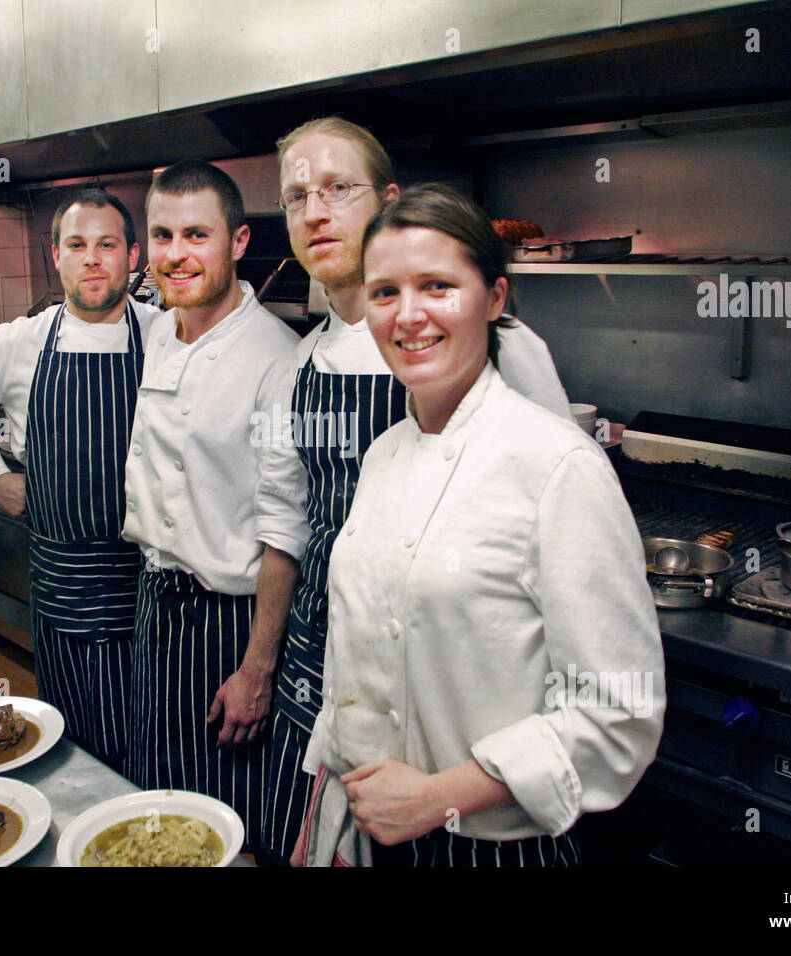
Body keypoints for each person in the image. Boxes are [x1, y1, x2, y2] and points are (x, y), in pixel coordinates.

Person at [293, 184, 665, 867]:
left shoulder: (556, 467)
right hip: (373, 832)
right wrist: (326, 817)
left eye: (438, 286)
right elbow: (358, 657)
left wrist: (438, 797)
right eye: (384, 293)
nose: (409, 316)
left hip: (491, 849)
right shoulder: (385, 454)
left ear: (494, 299)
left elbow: (619, 714)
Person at [258, 117, 577, 865]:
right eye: (297, 196)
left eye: (339, 189)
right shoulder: (292, 367)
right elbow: (283, 522)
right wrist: (260, 664)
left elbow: (554, 517)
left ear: (389, 201)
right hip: (321, 673)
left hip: (454, 696)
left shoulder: (500, 350)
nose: (316, 212)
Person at [0, 189, 160, 772]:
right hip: (60, 583)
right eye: (77, 245)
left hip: (148, 579)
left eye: (107, 245)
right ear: (55, 256)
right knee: (72, 733)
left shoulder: (166, 336)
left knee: (148, 732)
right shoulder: (20, 342)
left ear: (133, 256)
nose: (92, 259)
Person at [122, 160, 305, 853]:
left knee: (221, 820)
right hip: (156, 602)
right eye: (162, 235)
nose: (176, 255)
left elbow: (285, 529)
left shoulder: (275, 359)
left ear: (237, 241)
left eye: (196, 234)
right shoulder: (159, 333)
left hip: (228, 624)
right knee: (154, 801)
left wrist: (257, 670)